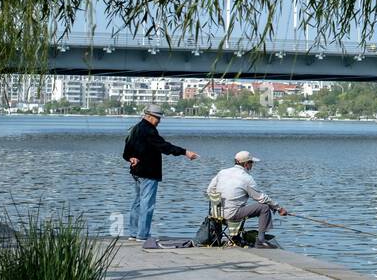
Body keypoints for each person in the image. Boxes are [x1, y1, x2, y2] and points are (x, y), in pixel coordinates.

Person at [123, 104, 198, 242]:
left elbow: (127, 149)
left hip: (137, 172)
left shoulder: (136, 128)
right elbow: (164, 146)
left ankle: (133, 233)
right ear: (150, 116)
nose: (159, 121)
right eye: (158, 118)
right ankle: (142, 235)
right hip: (149, 172)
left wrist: (129, 158)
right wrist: (185, 152)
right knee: (147, 204)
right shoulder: (149, 131)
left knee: (137, 203)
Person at [207, 150, 287, 248]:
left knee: (239, 205)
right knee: (264, 208)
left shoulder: (222, 172)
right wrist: (279, 208)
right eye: (251, 162)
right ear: (246, 164)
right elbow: (261, 198)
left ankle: (234, 237)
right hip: (231, 216)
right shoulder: (246, 178)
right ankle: (261, 241)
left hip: (216, 215)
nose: (252, 165)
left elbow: (209, 190)